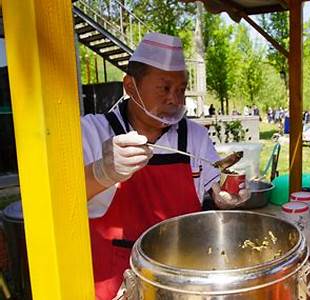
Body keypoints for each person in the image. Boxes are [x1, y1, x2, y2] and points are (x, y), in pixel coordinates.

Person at [81, 33, 249, 300]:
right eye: (164, 87)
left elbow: (212, 189)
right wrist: (100, 172)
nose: (175, 99)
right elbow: (58, 199)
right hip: (119, 284)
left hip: (184, 281)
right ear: (130, 86)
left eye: (181, 89)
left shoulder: (193, 135)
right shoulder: (91, 131)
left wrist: (223, 197)